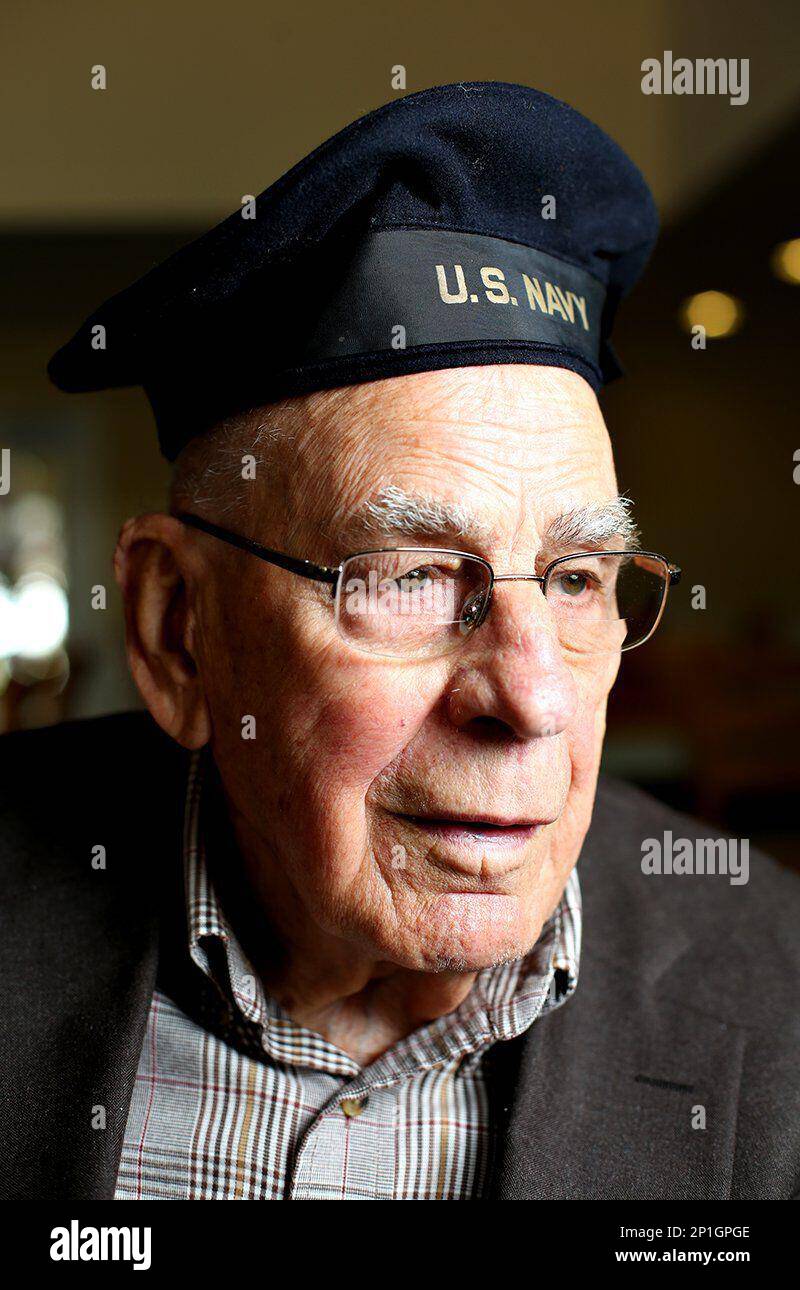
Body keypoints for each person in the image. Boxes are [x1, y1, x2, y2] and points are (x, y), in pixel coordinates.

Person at [1, 82, 797, 1201]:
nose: (533, 699)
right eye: (414, 577)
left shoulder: (779, 983)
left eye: (573, 580)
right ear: (180, 631)